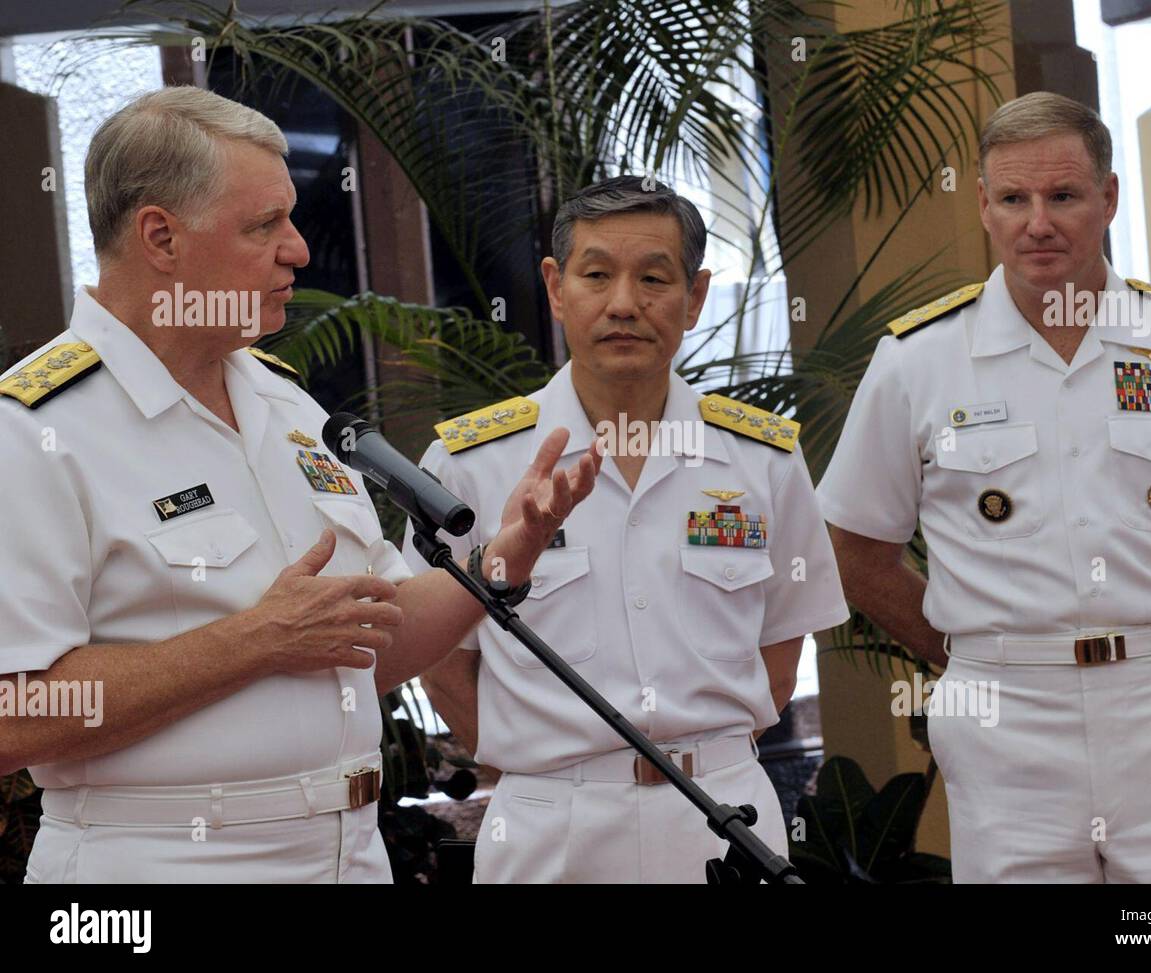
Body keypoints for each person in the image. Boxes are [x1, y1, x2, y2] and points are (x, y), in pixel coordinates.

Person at [0, 86, 599, 883]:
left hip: (348, 854)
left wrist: (503, 559)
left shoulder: (289, 404)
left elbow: (372, 644)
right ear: (159, 236)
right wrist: (252, 640)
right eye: (264, 225)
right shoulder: (34, 430)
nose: (300, 250)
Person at [817, 91, 1151, 883]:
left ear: (1108, 199)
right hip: (1004, 723)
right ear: (982, 204)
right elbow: (855, 552)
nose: (1037, 222)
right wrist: (975, 653)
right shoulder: (918, 361)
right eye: (1014, 198)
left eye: (1064, 196)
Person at [402, 176, 849, 883]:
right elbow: (438, 657)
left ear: (694, 296)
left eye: (653, 278)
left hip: (725, 815)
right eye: (597, 274)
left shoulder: (760, 455)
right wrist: (530, 754)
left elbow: (782, 650)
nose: (623, 304)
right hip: (550, 822)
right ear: (555, 286)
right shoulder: (471, 465)